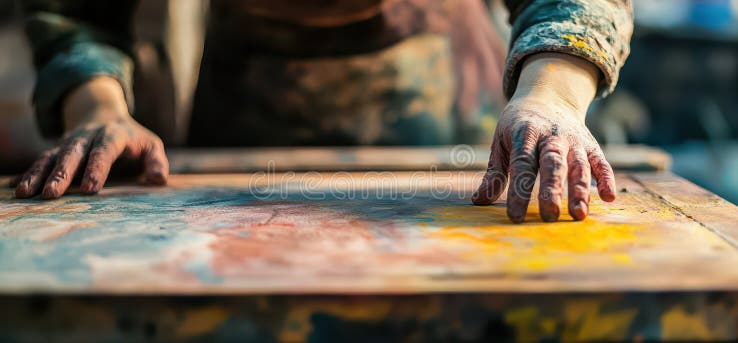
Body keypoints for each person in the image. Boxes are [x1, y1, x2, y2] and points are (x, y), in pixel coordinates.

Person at [14, 0, 632, 223]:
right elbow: (79, 11)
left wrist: (551, 95)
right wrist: (97, 106)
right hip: (249, 136)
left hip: (460, 134)